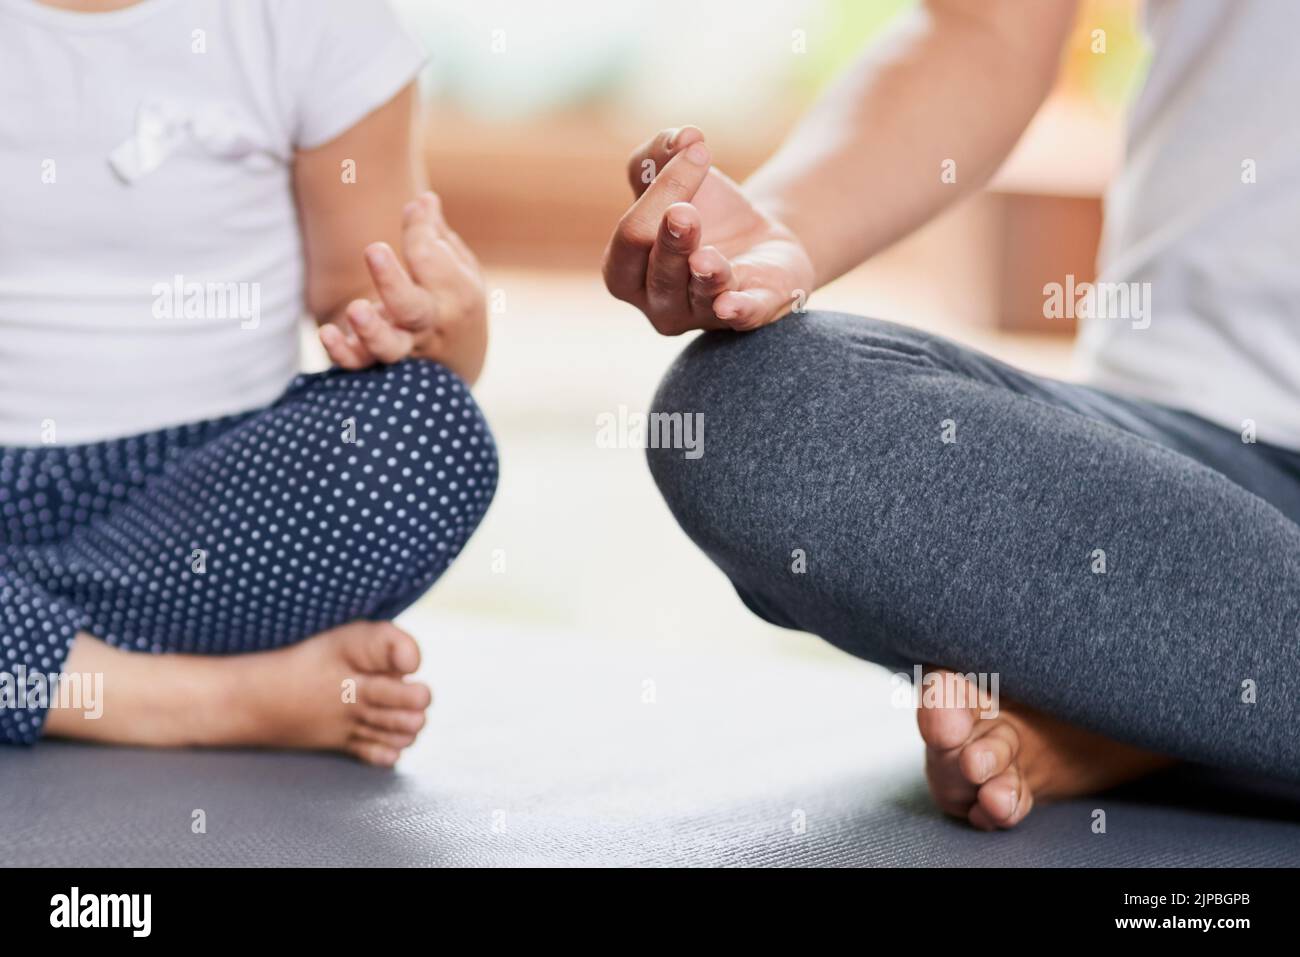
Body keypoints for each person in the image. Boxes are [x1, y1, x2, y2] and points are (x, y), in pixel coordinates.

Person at [603, 0, 1300, 829]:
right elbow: (985, 30)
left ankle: (1158, 712)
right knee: (750, 412)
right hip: (1190, 479)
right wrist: (778, 233)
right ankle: (1198, 701)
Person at [0, 0, 496, 766]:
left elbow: (377, 315)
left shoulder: (315, 20)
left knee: (432, 433)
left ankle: (37, 651)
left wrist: (446, 326)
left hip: (200, 498)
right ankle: (193, 698)